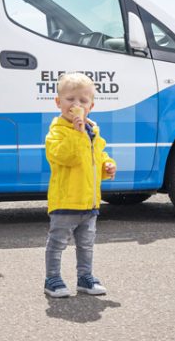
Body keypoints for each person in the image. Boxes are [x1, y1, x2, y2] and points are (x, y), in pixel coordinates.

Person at [43, 72, 117, 297]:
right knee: (57, 243)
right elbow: (65, 157)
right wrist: (76, 133)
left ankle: (85, 278)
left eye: (82, 101)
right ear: (58, 102)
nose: (76, 105)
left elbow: (96, 157)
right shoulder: (56, 132)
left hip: (89, 201)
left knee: (86, 244)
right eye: (70, 99)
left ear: (90, 106)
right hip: (66, 201)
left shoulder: (92, 131)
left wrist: (107, 165)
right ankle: (52, 278)